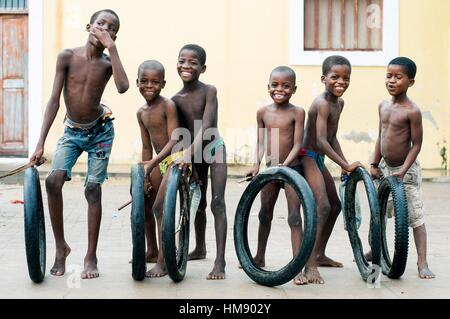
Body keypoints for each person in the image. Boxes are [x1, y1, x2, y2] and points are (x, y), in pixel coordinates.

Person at [29, 9, 129, 279]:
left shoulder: (108, 64)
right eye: (100, 23)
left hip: (101, 131)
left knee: (93, 190)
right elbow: (53, 100)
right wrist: (40, 143)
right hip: (72, 131)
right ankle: (61, 248)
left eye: (111, 28)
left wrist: (114, 49)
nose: (104, 29)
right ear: (89, 27)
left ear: (114, 35)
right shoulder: (67, 57)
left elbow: (123, 87)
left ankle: (90, 256)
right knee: (52, 181)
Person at [368, 57, 435, 279]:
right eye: (389, 76)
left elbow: (416, 144)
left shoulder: (412, 111)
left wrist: (404, 170)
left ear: (410, 82)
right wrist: (374, 163)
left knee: (415, 216)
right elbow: (381, 136)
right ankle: (375, 249)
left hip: (406, 170)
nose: (392, 81)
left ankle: (422, 262)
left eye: (398, 77)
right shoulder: (383, 106)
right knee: (379, 212)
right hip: (386, 167)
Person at [297, 56, 362, 285]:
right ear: (324, 79)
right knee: (322, 205)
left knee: (335, 205)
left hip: (320, 158)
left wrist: (346, 164)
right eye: (335, 77)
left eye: (346, 78)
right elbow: (321, 141)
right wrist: (344, 164)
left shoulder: (339, 103)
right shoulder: (322, 103)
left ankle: (319, 254)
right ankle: (309, 263)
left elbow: (332, 138)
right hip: (307, 157)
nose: (341, 82)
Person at [245, 66, 305, 285]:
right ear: (268, 87)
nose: (279, 89)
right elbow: (261, 142)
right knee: (264, 214)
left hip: (292, 170)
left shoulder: (297, 112)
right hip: (271, 170)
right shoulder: (263, 112)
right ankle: (259, 256)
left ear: (294, 89)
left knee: (294, 217)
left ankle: (297, 267)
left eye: (286, 86)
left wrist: (284, 165)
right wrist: (256, 164)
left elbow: (298, 143)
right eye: (275, 85)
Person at [172, 44, 227, 280]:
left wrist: (190, 153)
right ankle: (200, 248)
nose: (186, 66)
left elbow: (207, 125)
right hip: (193, 154)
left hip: (214, 149)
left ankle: (220, 262)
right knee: (198, 203)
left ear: (202, 68)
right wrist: (185, 158)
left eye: (193, 62)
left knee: (216, 203)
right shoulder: (174, 99)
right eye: (182, 61)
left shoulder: (209, 91)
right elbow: (178, 133)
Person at [136, 60, 181, 278]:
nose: (149, 86)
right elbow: (146, 147)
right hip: (157, 162)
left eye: (155, 82)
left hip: (175, 161)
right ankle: (152, 250)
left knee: (159, 207)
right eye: (144, 81)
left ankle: (164, 261)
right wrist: (146, 172)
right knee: (144, 204)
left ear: (163, 84)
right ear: (137, 83)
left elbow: (174, 140)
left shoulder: (167, 105)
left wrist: (153, 162)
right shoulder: (141, 113)